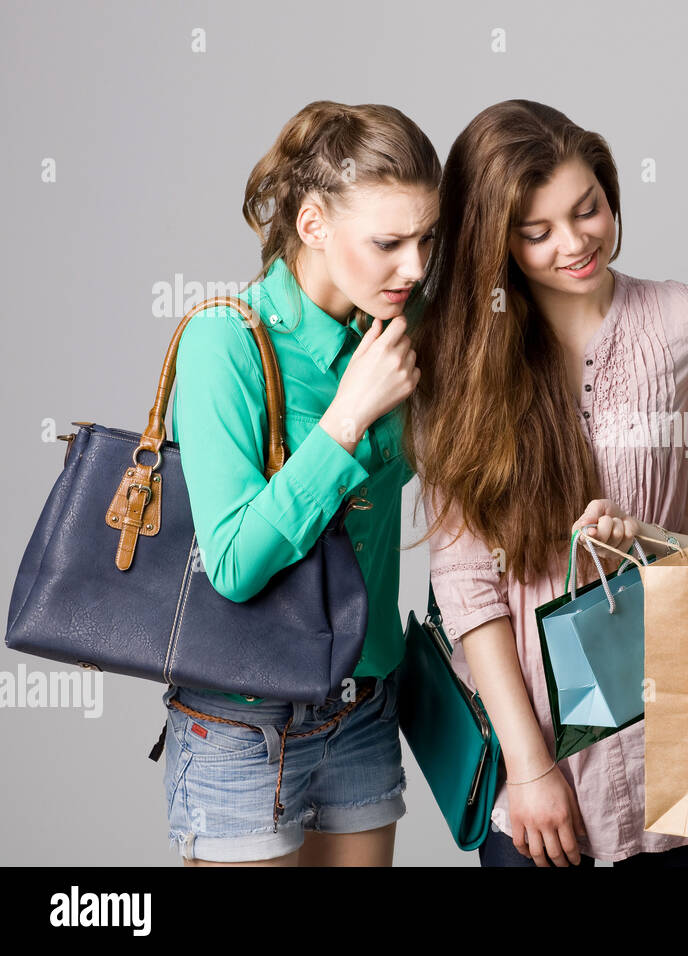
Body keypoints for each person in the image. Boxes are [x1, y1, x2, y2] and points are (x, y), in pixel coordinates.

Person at [404, 99, 688, 867]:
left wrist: (677, 504)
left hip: (669, 725)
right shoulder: (459, 360)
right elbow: (463, 582)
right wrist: (529, 767)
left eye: (587, 210)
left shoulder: (686, 316)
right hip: (534, 740)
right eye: (536, 231)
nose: (576, 242)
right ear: (495, 240)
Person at [160, 101, 439, 866]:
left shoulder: (398, 336)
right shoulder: (227, 338)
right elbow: (236, 561)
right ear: (312, 224)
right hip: (243, 723)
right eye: (388, 243)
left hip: (364, 707)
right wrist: (345, 420)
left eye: (426, 239)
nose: (414, 267)